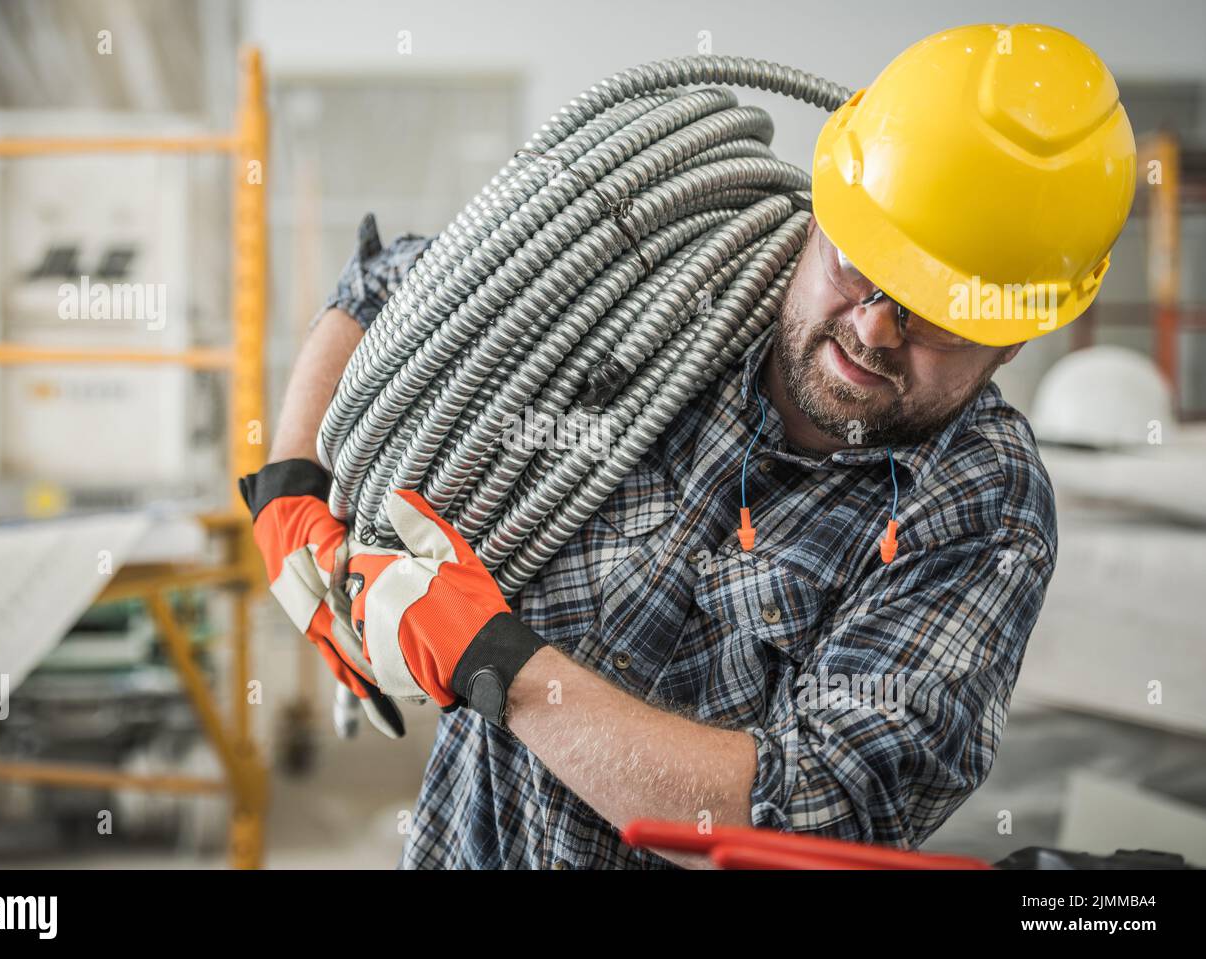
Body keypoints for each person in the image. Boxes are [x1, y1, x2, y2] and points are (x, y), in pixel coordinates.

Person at [240, 23, 1136, 868]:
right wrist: (288, 489)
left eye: (937, 314)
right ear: (824, 209)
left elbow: (805, 811)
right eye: (860, 262)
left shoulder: (980, 502)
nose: (873, 328)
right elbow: (387, 281)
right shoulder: (680, 256)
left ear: (1015, 336)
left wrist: (497, 664)